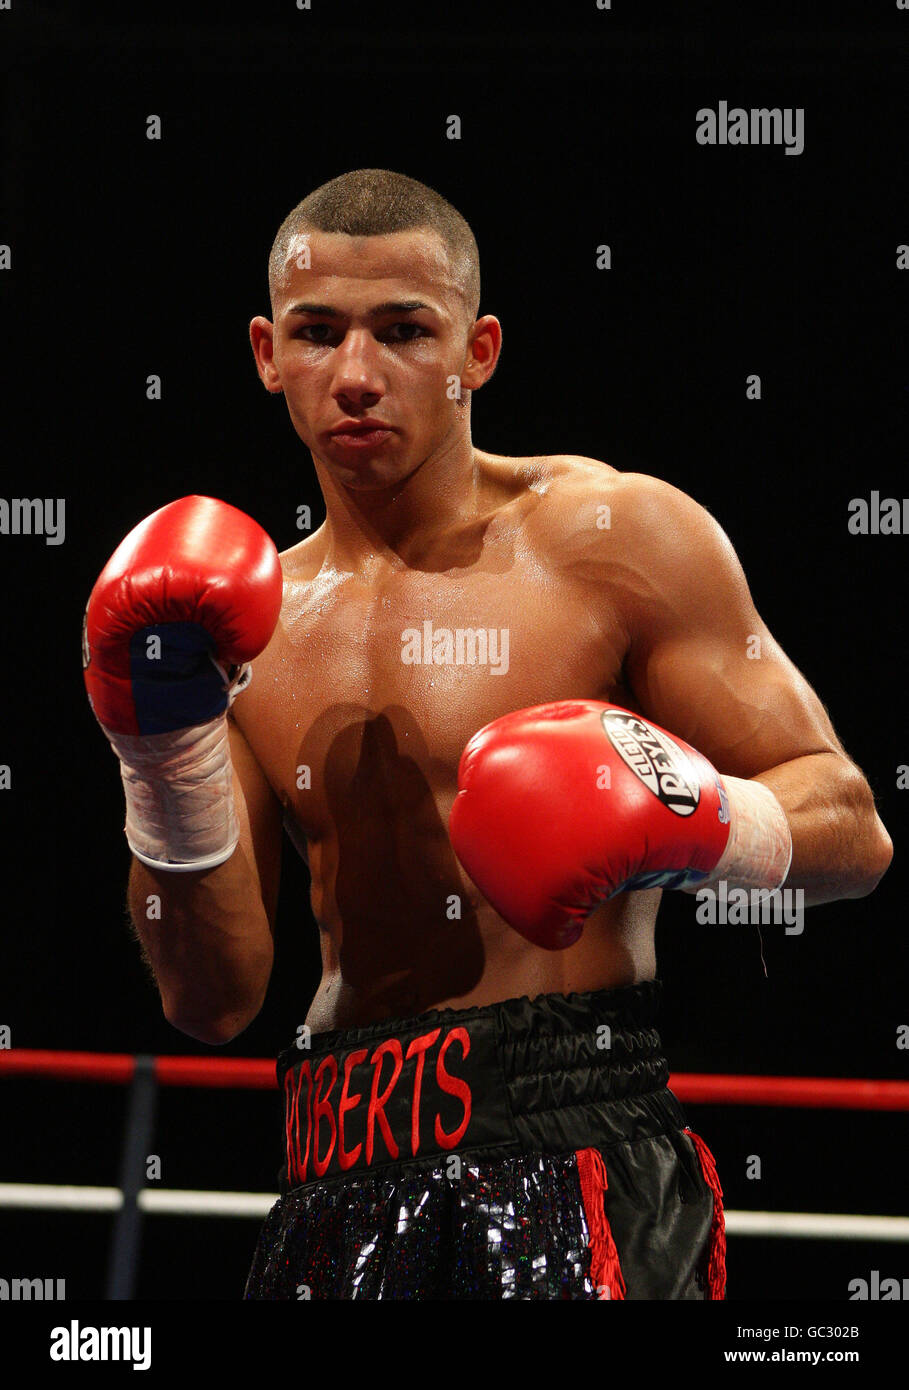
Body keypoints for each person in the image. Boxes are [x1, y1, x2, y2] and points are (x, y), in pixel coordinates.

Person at [83, 169, 892, 1300]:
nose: (356, 375)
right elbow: (210, 998)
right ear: (268, 354)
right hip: (332, 1167)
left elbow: (853, 826)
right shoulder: (237, 624)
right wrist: (159, 756)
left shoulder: (617, 539)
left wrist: (699, 813)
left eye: (405, 330)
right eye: (318, 334)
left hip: (572, 1144)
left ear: (480, 350)